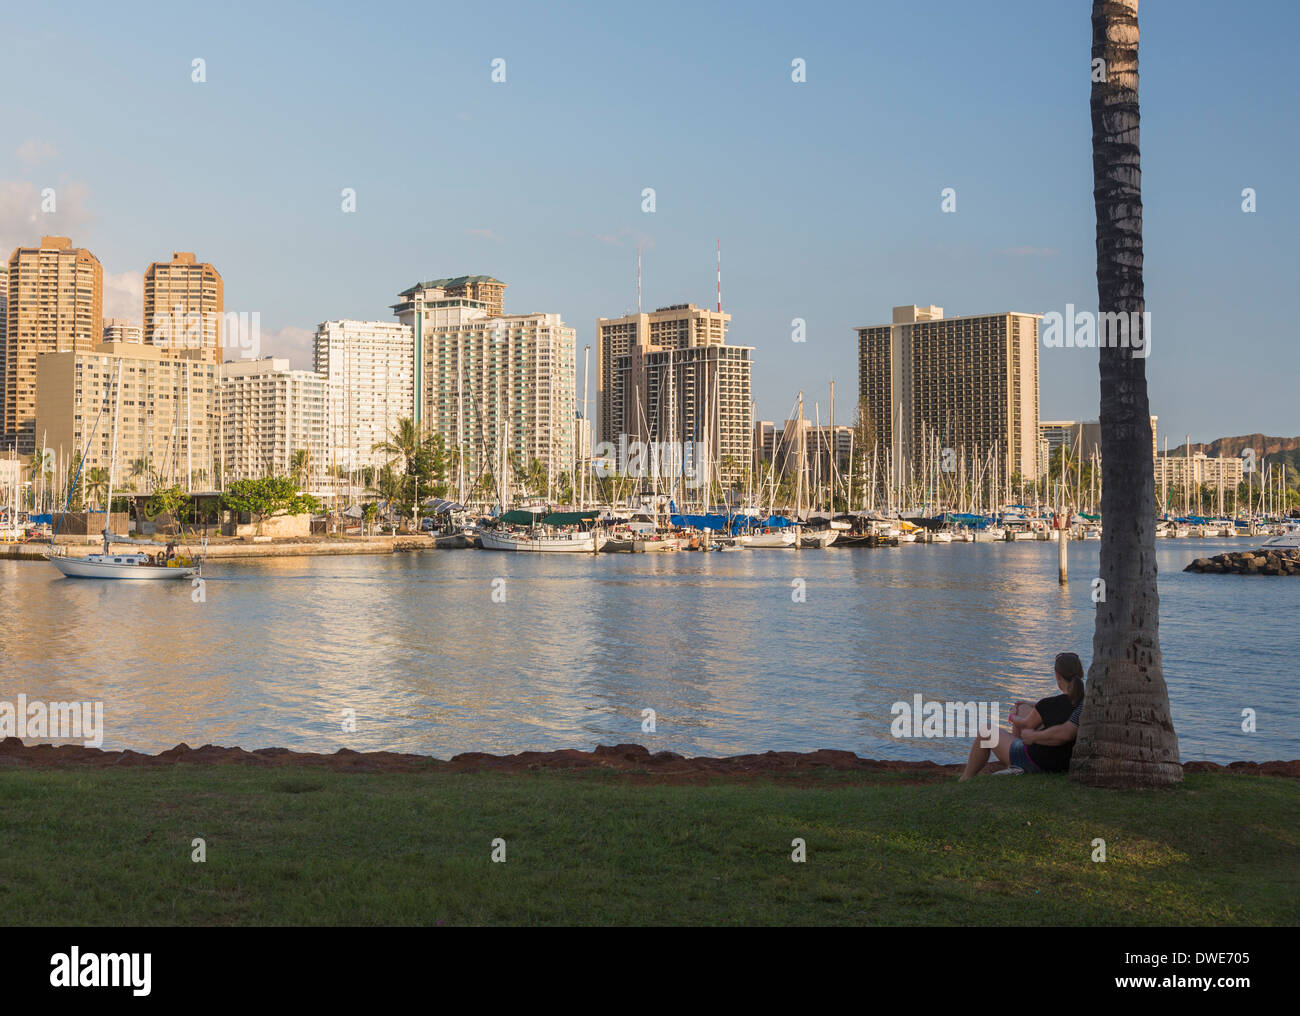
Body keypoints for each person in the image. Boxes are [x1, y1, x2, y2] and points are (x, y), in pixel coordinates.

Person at [959, 652, 1086, 780]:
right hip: (1063, 762)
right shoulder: (1087, 703)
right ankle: (1013, 766)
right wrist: (1031, 705)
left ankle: (966, 778)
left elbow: (1025, 724)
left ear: (1057, 675)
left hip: (1038, 762)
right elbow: (1056, 711)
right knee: (1023, 708)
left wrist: (1012, 715)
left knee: (986, 731)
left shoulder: (1049, 704)